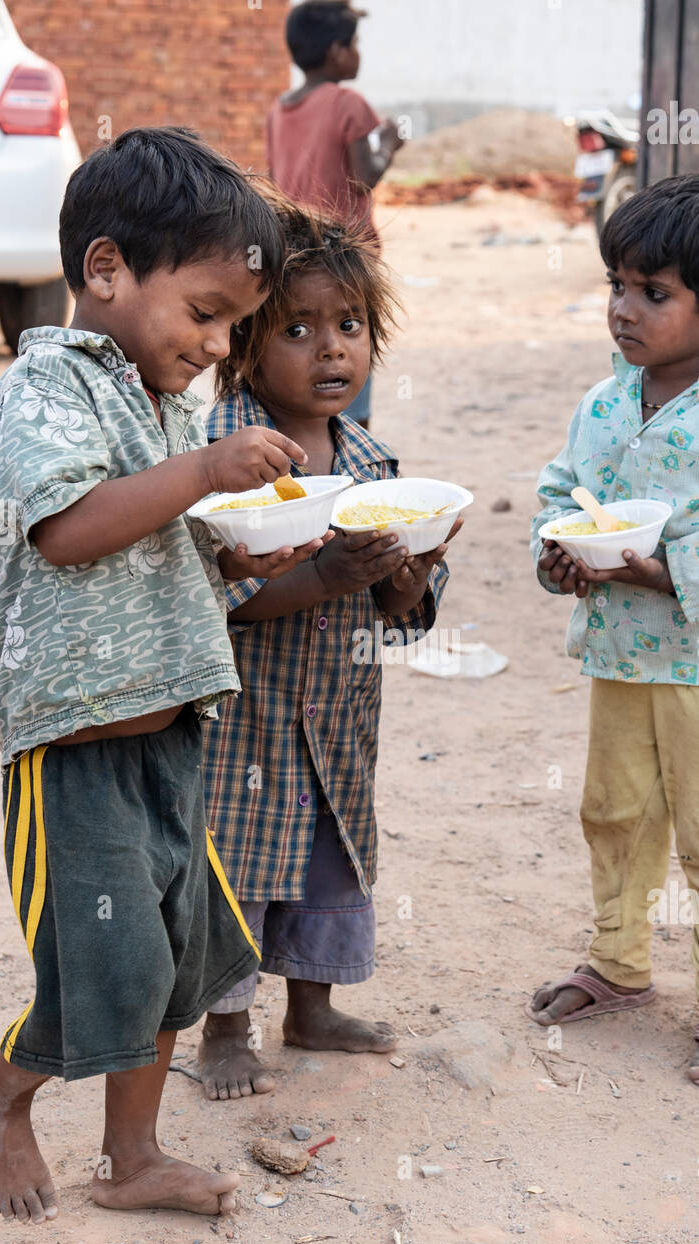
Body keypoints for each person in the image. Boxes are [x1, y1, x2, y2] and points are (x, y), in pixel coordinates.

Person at [0, 127, 320, 1223]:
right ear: (106, 270)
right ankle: (0, 1092)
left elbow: (165, 539)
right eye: (204, 313)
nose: (216, 344)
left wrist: (234, 545)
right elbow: (67, 530)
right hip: (73, 749)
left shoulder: (167, 404)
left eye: (232, 326)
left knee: (173, 953)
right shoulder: (46, 391)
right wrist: (206, 469)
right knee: (101, 968)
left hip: (168, 733)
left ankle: (133, 1155)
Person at [525, 173, 699, 1087]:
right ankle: (617, 965)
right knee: (614, 812)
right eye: (617, 285)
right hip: (619, 652)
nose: (624, 309)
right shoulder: (603, 404)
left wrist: (659, 570)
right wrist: (557, 553)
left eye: (653, 293)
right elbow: (559, 494)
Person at [197, 199, 461, 1100]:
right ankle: (224, 1028)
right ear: (242, 346)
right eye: (299, 330)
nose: (332, 350)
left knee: (326, 853)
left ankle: (311, 1007)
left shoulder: (375, 464)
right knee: (233, 861)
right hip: (244, 721)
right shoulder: (225, 450)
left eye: (349, 326)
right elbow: (218, 590)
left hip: (337, 714)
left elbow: (399, 606)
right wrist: (327, 578)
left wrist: (410, 571)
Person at [266, 0, 403, 427]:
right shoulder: (348, 104)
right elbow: (365, 177)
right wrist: (390, 147)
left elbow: (275, 181)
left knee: (303, 356)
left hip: (291, 258)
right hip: (345, 259)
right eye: (355, 43)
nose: (358, 52)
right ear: (335, 51)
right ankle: (352, 451)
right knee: (347, 348)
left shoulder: (279, 110)